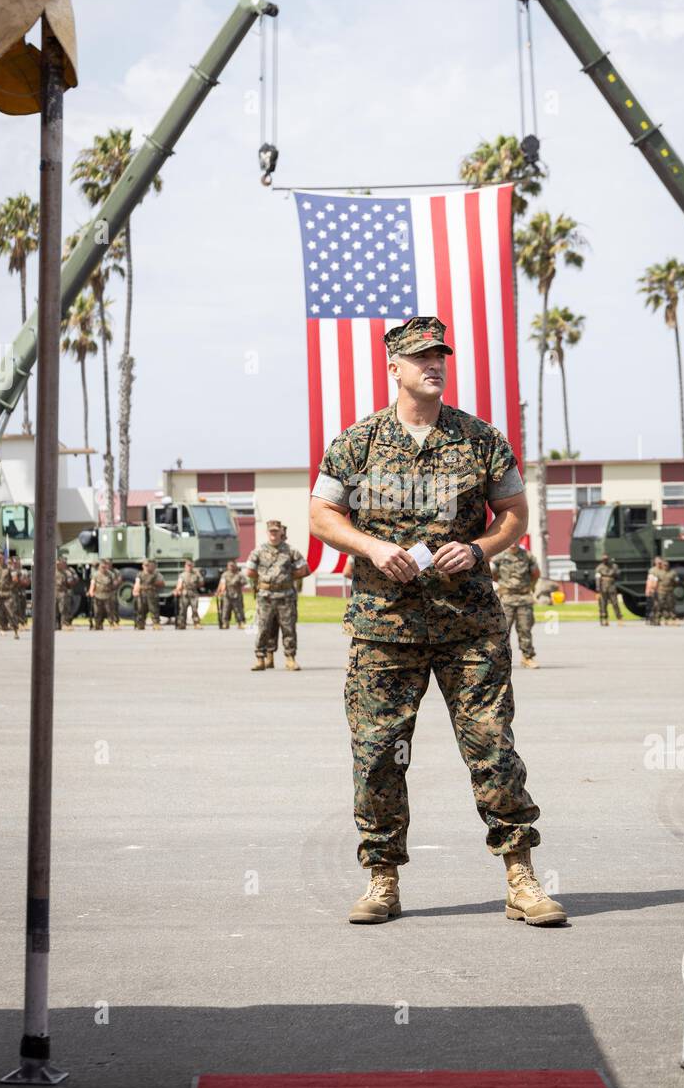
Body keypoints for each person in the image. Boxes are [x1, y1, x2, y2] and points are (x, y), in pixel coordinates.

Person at [310, 315, 565, 929]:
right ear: (393, 366)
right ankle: (382, 878)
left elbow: (513, 515)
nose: (434, 364)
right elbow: (322, 515)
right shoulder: (357, 442)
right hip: (384, 628)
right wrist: (369, 547)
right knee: (377, 755)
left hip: (469, 626)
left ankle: (520, 878)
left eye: (440, 356)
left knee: (493, 750)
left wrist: (479, 549)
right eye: (420, 356)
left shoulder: (480, 439)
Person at [246, 520, 309, 671]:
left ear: (281, 532)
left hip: (286, 596)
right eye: (271, 532)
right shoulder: (258, 551)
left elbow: (304, 569)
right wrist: (265, 581)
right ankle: (262, 658)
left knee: (288, 628)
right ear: (267, 533)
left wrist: (286, 577)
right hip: (265, 596)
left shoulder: (290, 550)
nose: (273, 534)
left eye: (276, 531)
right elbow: (250, 571)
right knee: (264, 628)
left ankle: (290, 658)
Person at [490, 541, 540, 666]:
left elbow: (535, 574)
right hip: (507, 598)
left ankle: (527, 657)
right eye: (511, 541)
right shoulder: (499, 556)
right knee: (504, 630)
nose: (513, 543)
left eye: (516, 540)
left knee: (525, 629)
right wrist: (503, 586)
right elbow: (492, 574)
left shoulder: (528, 556)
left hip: (524, 598)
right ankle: (502, 659)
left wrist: (530, 587)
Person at [133, 559, 165, 631]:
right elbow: (137, 583)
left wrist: (154, 583)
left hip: (152, 594)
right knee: (141, 610)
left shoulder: (156, 574)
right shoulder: (140, 574)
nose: (147, 567)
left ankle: (156, 624)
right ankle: (140, 624)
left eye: (148, 565)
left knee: (154, 610)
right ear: (143, 566)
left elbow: (162, 583)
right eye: (145, 565)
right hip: (142, 594)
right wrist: (135, 590)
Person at [593, 552, 622, 628]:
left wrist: (616, 574)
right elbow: (597, 579)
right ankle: (605, 619)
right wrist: (598, 589)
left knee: (615, 603)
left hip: (612, 587)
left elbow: (618, 574)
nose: (605, 560)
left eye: (606, 559)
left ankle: (619, 618)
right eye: (604, 559)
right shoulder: (599, 568)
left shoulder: (614, 566)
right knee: (603, 604)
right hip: (603, 588)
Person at [89, 558, 119, 630]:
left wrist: (114, 587)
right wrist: (91, 591)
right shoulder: (95, 574)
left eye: (105, 566)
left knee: (110, 611)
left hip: (108, 595)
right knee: (97, 611)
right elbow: (93, 583)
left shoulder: (110, 574)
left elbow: (114, 584)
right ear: (99, 567)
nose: (103, 568)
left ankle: (112, 624)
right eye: (102, 566)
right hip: (98, 595)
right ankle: (98, 624)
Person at [174, 559, 204, 629]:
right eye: (188, 565)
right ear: (185, 566)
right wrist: (177, 590)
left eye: (190, 565)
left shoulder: (196, 574)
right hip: (185, 593)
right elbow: (179, 584)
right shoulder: (182, 575)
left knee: (195, 609)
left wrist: (199, 575)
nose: (189, 567)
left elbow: (201, 584)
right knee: (182, 610)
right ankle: (182, 623)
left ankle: (196, 623)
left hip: (193, 593)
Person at [217, 559, 246, 629]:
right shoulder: (224, 574)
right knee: (225, 610)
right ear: (227, 566)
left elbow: (244, 582)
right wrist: (219, 591)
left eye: (233, 566)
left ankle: (240, 622)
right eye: (230, 566)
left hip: (237, 595)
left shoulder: (239, 574)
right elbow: (221, 584)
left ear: (235, 566)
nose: (231, 567)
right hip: (227, 596)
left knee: (238, 610)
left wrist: (239, 582)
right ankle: (225, 623)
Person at [55, 558, 77, 631]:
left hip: (63, 593)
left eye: (60, 564)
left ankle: (65, 623)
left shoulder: (68, 572)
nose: (58, 565)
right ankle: (55, 624)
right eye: (57, 564)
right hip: (54, 593)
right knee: (54, 610)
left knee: (64, 609)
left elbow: (73, 581)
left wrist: (71, 581)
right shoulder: (52, 571)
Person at [8, 556, 29, 627]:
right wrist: (15, 580)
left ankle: (22, 623)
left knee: (22, 607)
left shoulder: (24, 571)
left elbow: (27, 582)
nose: (16, 564)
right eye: (14, 562)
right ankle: (14, 624)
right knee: (14, 608)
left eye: (17, 562)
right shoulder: (9, 571)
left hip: (22, 592)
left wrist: (21, 581)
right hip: (12, 592)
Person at [644, 561, 659, 625]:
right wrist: (648, 589)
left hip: (660, 590)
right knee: (651, 605)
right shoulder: (652, 571)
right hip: (653, 590)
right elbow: (649, 581)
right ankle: (649, 619)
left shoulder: (663, 570)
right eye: (658, 562)